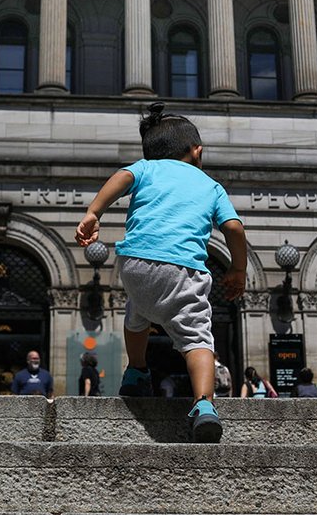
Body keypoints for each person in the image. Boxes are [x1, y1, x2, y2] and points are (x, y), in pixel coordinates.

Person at [75, 102, 248, 443]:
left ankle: (137, 372)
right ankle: (204, 405)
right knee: (197, 337)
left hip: (135, 262)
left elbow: (123, 176)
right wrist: (238, 268)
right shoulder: (211, 186)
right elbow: (234, 229)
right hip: (183, 268)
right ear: (197, 150)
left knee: (137, 313)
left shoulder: (145, 169)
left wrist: (94, 212)